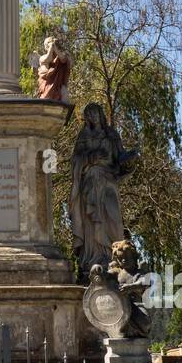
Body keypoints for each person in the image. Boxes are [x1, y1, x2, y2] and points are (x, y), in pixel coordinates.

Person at [69, 102, 140, 279]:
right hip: (90, 182)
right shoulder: (84, 136)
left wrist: (130, 158)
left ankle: (115, 257)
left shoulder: (111, 135)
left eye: (95, 113)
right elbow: (76, 161)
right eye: (89, 114)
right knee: (93, 223)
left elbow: (119, 157)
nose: (92, 117)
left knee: (113, 218)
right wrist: (90, 157)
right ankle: (93, 259)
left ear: (101, 115)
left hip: (109, 181)